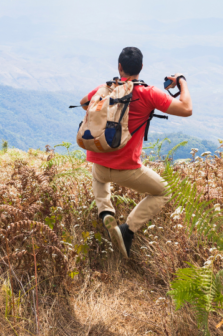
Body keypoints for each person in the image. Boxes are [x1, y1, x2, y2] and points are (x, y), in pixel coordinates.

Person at [79, 46, 193, 258]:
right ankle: (127, 229)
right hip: (128, 169)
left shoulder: (104, 89)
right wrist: (182, 81)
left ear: (119, 67)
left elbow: (83, 103)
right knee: (164, 191)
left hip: (100, 166)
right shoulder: (148, 94)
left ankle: (105, 210)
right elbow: (186, 108)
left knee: (99, 175)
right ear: (141, 67)